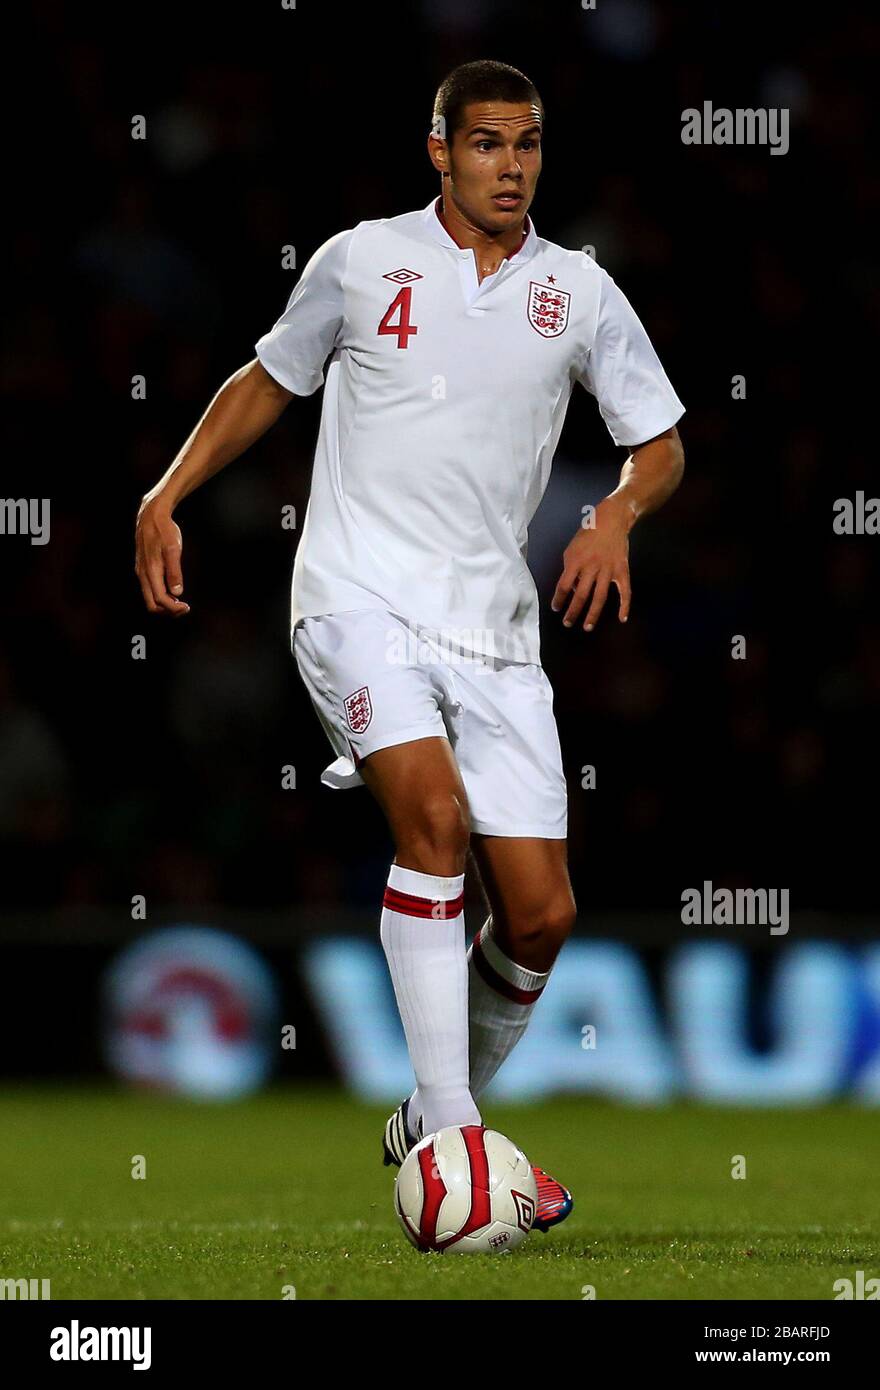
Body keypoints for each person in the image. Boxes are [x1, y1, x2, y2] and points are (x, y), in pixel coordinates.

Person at [135, 59, 685, 1232]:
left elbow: (662, 440)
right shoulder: (360, 258)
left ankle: (435, 1114)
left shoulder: (579, 291)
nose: (511, 166)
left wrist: (615, 513)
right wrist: (164, 492)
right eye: (486, 144)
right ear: (438, 150)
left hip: (493, 628)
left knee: (539, 915)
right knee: (430, 821)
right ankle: (461, 1142)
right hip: (355, 596)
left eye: (528, 144)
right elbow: (267, 378)